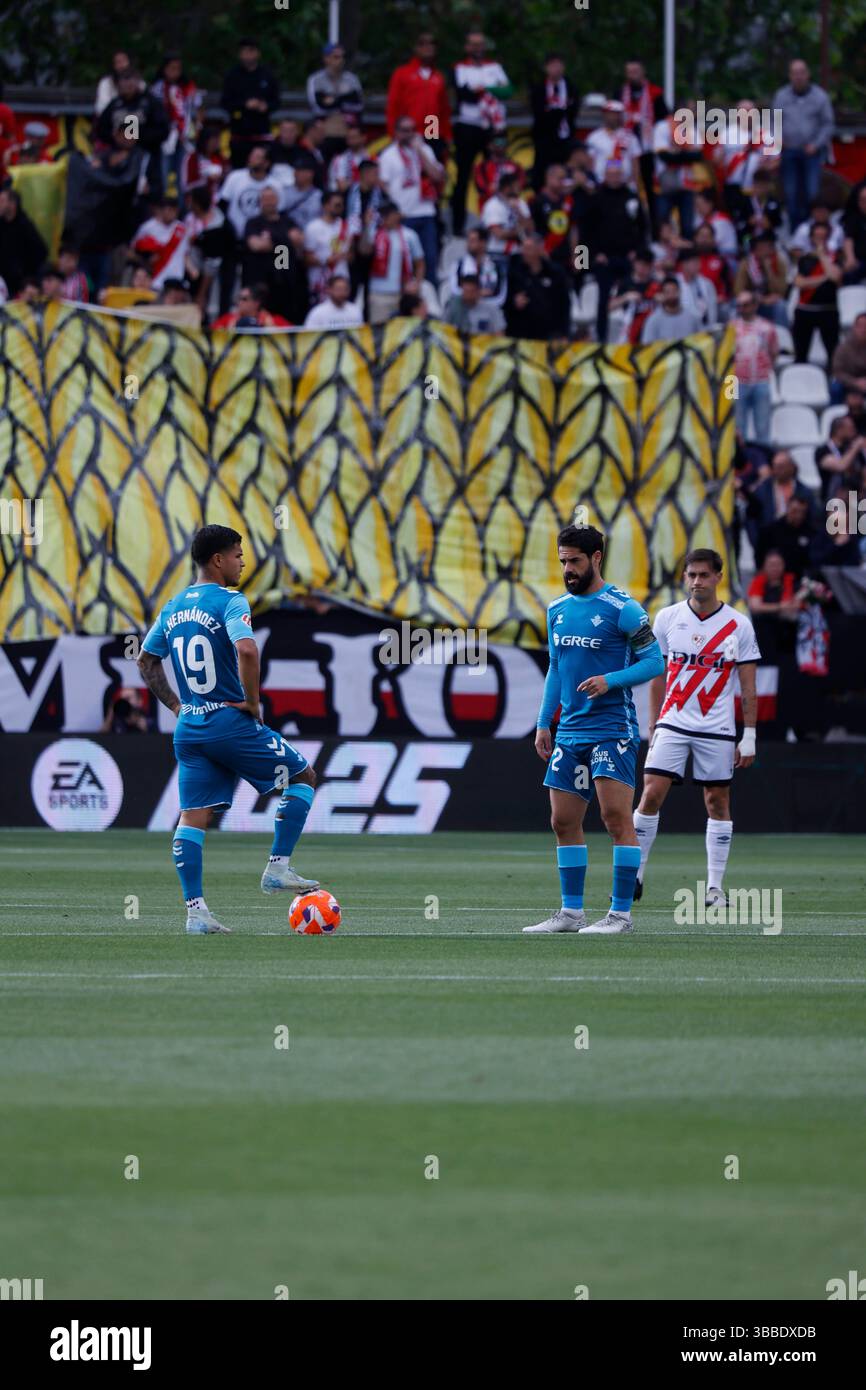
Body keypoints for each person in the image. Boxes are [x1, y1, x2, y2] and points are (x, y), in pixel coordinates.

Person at [137, 525, 319, 934]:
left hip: (190, 728)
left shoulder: (173, 606)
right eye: (237, 554)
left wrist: (176, 706)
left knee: (192, 817)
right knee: (303, 776)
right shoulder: (230, 601)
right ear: (218, 560)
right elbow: (247, 649)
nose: (242, 561)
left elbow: (146, 661)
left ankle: (196, 912)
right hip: (228, 722)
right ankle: (278, 868)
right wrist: (252, 703)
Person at [523, 523, 664, 936]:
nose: (568, 568)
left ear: (597, 558)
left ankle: (620, 915)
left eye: (575, 561)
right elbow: (556, 668)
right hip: (569, 732)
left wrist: (611, 680)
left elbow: (655, 663)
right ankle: (571, 913)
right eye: (563, 560)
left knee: (615, 817)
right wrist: (543, 722)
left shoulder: (624, 609)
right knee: (562, 821)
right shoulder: (556, 609)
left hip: (611, 729)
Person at [633, 550, 759, 905]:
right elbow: (656, 674)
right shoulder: (668, 617)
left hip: (717, 728)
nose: (697, 582)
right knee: (651, 794)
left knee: (717, 801)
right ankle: (635, 874)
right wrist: (654, 723)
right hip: (672, 723)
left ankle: (714, 888)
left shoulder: (739, 625)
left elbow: (748, 686)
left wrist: (748, 736)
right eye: (691, 575)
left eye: (704, 575)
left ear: (719, 576)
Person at [450, 28, 512, 237]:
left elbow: (508, 91)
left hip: (493, 130)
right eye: (473, 44)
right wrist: (491, 88)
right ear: (467, 47)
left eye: (480, 44)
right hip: (468, 127)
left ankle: (493, 224)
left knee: (495, 173)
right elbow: (465, 95)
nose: (477, 48)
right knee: (462, 178)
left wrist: (484, 89)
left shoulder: (494, 66)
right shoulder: (460, 67)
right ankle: (457, 227)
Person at [582, 158, 648, 341]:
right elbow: (585, 231)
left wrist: (637, 252)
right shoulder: (595, 198)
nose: (614, 178)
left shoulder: (631, 197)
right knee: (603, 302)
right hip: (604, 260)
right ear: (604, 176)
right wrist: (590, 259)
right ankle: (602, 340)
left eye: (618, 174)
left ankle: (635, 338)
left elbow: (643, 228)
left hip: (628, 259)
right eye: (611, 174)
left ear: (623, 176)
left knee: (636, 298)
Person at [377, 115, 444, 284]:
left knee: (429, 257)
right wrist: (394, 209)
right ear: (397, 132)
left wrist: (420, 151)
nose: (409, 134)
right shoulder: (388, 155)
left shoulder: (425, 150)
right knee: (405, 260)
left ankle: (430, 295)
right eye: (405, 130)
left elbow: (437, 176)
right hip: (404, 215)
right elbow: (383, 185)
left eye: (413, 130)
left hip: (426, 212)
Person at [773, 59, 835, 234]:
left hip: (811, 153)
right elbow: (773, 121)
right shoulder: (781, 96)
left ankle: (812, 234)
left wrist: (816, 145)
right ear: (790, 76)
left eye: (802, 72)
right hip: (788, 151)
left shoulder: (820, 96)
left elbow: (828, 124)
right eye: (795, 73)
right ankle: (795, 235)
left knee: (812, 193)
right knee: (791, 195)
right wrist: (778, 139)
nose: (799, 77)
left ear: (808, 74)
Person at [386, 32, 452, 159]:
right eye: (423, 43)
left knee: (432, 171)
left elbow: (444, 109)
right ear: (416, 48)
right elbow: (393, 106)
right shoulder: (402, 73)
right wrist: (393, 133)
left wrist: (447, 135)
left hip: (432, 131)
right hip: (408, 132)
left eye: (431, 43)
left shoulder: (438, 76)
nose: (428, 47)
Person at [620, 59, 668, 234]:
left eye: (636, 71)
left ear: (643, 72)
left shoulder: (654, 93)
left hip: (648, 149)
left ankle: (655, 230)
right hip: (626, 148)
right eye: (629, 71)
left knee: (651, 190)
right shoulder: (621, 93)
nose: (632, 75)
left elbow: (664, 120)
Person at [220, 38, 279, 169]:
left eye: (251, 51)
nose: (248, 55)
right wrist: (244, 105)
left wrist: (266, 106)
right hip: (239, 134)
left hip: (262, 134)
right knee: (239, 171)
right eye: (245, 52)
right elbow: (225, 102)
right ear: (240, 54)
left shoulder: (267, 75)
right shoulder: (232, 76)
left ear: (258, 53)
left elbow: (276, 102)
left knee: (262, 170)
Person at [151, 52, 201, 200]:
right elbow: (147, 114)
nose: (175, 72)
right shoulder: (157, 88)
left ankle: (183, 208)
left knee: (184, 176)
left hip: (186, 136)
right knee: (166, 174)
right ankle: (165, 205)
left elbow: (196, 110)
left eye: (178, 68)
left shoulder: (188, 87)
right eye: (171, 68)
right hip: (166, 136)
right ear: (164, 69)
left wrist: (195, 127)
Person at [366, 200, 424, 325]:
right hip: (379, 294)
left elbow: (419, 263)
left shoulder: (410, 235)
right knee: (380, 334)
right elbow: (364, 251)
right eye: (382, 214)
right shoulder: (374, 233)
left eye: (388, 214)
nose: (384, 217)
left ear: (397, 215)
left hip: (404, 294)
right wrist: (366, 226)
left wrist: (417, 283)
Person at [732, 290, 778, 446]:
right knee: (737, 426)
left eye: (745, 305)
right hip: (734, 381)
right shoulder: (731, 328)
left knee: (763, 425)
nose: (741, 309)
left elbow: (773, 352)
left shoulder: (767, 328)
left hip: (761, 380)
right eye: (739, 305)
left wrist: (765, 369)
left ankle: (763, 459)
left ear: (754, 305)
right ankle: (740, 463)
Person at [504, 232, 569, 340]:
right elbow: (506, 301)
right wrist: (514, 302)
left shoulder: (555, 272)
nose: (524, 252)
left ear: (539, 249)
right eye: (523, 248)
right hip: (521, 333)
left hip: (549, 334)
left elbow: (564, 304)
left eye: (528, 248)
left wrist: (564, 333)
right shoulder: (515, 271)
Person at [792, 221, 842, 363]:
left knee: (833, 353)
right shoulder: (804, 259)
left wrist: (822, 256)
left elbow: (835, 277)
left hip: (828, 310)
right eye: (817, 236)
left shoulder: (835, 258)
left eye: (823, 237)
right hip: (804, 311)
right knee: (800, 354)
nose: (820, 240)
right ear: (811, 238)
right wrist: (824, 278)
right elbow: (800, 283)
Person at [529, 53, 578, 191]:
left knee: (565, 175)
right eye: (552, 65)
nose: (556, 68)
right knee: (541, 176)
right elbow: (539, 114)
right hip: (545, 140)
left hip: (565, 139)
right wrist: (558, 112)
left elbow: (572, 112)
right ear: (546, 68)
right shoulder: (539, 88)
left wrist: (555, 111)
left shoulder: (571, 88)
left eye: (559, 65)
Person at [732, 231, 790, 328]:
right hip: (752, 301)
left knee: (781, 305)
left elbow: (781, 291)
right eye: (761, 248)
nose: (766, 251)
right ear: (755, 250)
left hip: (769, 304)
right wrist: (760, 299)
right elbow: (738, 290)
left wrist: (769, 270)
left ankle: (782, 338)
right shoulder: (746, 264)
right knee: (735, 304)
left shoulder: (779, 263)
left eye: (768, 247)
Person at [0, 186, 47, 296]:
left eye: (2, 201)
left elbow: (41, 252)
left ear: (12, 204)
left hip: (21, 287)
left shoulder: (25, 226)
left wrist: (26, 276)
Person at [586, 100, 640, 187]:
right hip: (600, 184)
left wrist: (633, 183)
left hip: (625, 185)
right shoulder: (594, 137)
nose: (613, 117)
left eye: (616, 113)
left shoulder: (630, 137)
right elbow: (589, 162)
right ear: (604, 115)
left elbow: (635, 163)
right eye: (610, 113)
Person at [814, 414, 866, 500]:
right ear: (839, 430)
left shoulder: (851, 450)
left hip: (854, 498)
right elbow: (840, 466)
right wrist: (856, 447)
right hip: (832, 500)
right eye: (851, 428)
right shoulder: (823, 451)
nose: (854, 432)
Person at [640, 275, 701, 343]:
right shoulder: (653, 320)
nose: (671, 295)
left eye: (674, 291)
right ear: (662, 294)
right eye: (668, 292)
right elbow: (647, 347)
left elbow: (700, 342)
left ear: (680, 291)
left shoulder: (692, 317)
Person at [211, 283, 290, 330]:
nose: (239, 302)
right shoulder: (227, 319)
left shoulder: (275, 321)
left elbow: (295, 337)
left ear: (256, 303)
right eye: (239, 298)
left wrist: (272, 329)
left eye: (244, 299)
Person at [675, 246, 718, 329]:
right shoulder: (675, 284)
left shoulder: (706, 283)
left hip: (705, 330)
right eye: (694, 262)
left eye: (698, 261)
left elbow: (712, 309)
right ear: (684, 264)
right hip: (683, 330)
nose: (698, 265)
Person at [747, 549, 798, 617]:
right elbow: (755, 606)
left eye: (778, 564)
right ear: (764, 566)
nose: (775, 568)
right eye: (772, 565)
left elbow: (794, 606)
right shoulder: (758, 580)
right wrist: (780, 606)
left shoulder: (790, 579)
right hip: (762, 623)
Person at [831, 312, 866, 395]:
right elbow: (838, 371)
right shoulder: (843, 347)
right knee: (835, 388)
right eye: (860, 326)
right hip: (848, 382)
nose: (863, 330)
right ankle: (835, 408)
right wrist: (855, 382)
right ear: (854, 327)